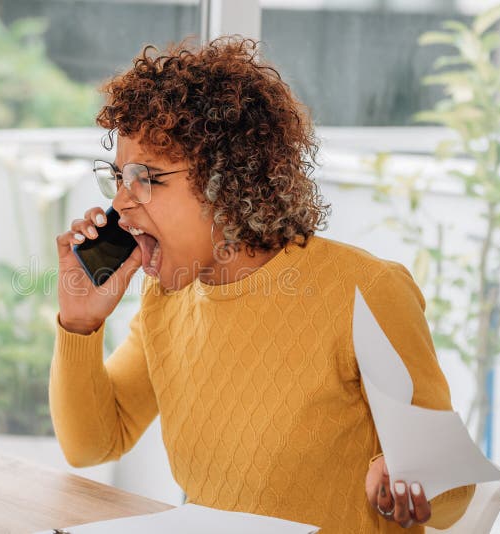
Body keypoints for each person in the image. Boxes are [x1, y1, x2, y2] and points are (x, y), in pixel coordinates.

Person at [50, 36, 473, 532]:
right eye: (119, 176)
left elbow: (456, 489)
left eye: (148, 178)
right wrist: (79, 323)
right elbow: (93, 445)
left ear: (228, 182)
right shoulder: (168, 297)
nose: (121, 203)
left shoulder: (366, 290)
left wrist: (408, 477)